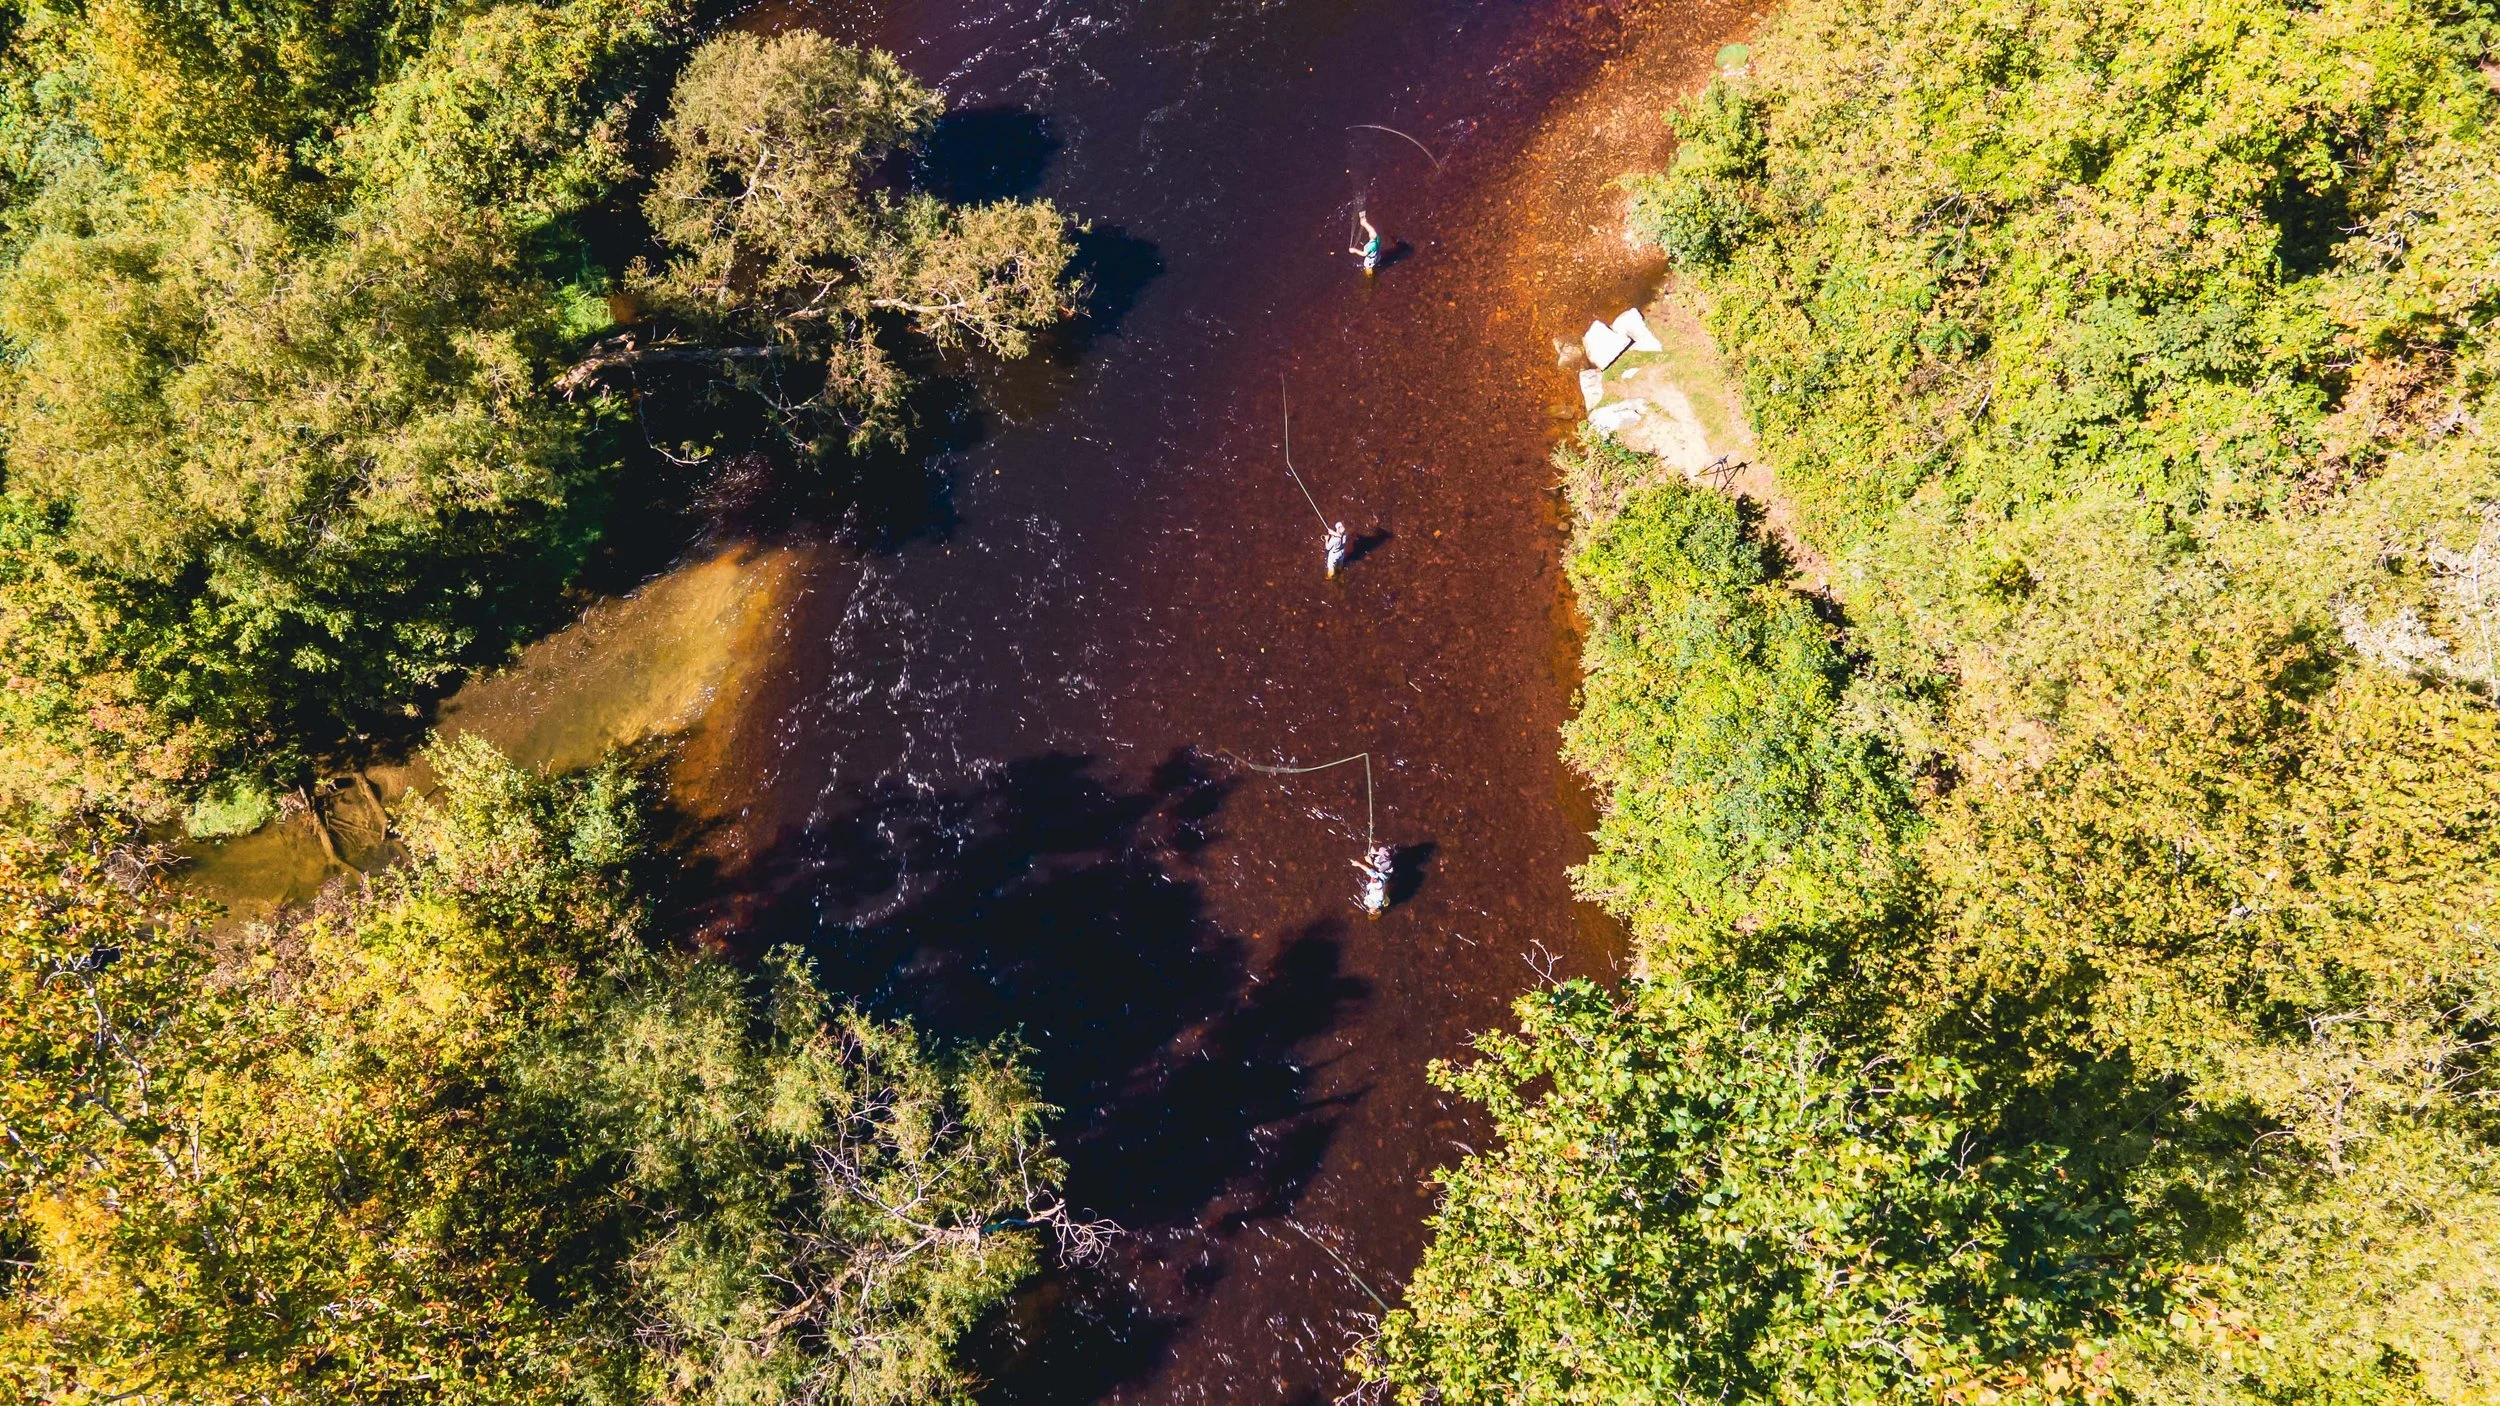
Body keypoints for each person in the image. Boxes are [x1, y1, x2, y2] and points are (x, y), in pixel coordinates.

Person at [1354, 844, 1392, 916]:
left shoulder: (1380, 903)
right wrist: (1359, 864)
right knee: (1369, 857)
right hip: (1383, 872)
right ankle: (1375, 850)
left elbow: (1385, 895)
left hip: (1385, 877)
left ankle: (1376, 853)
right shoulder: (1378, 896)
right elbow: (1373, 874)